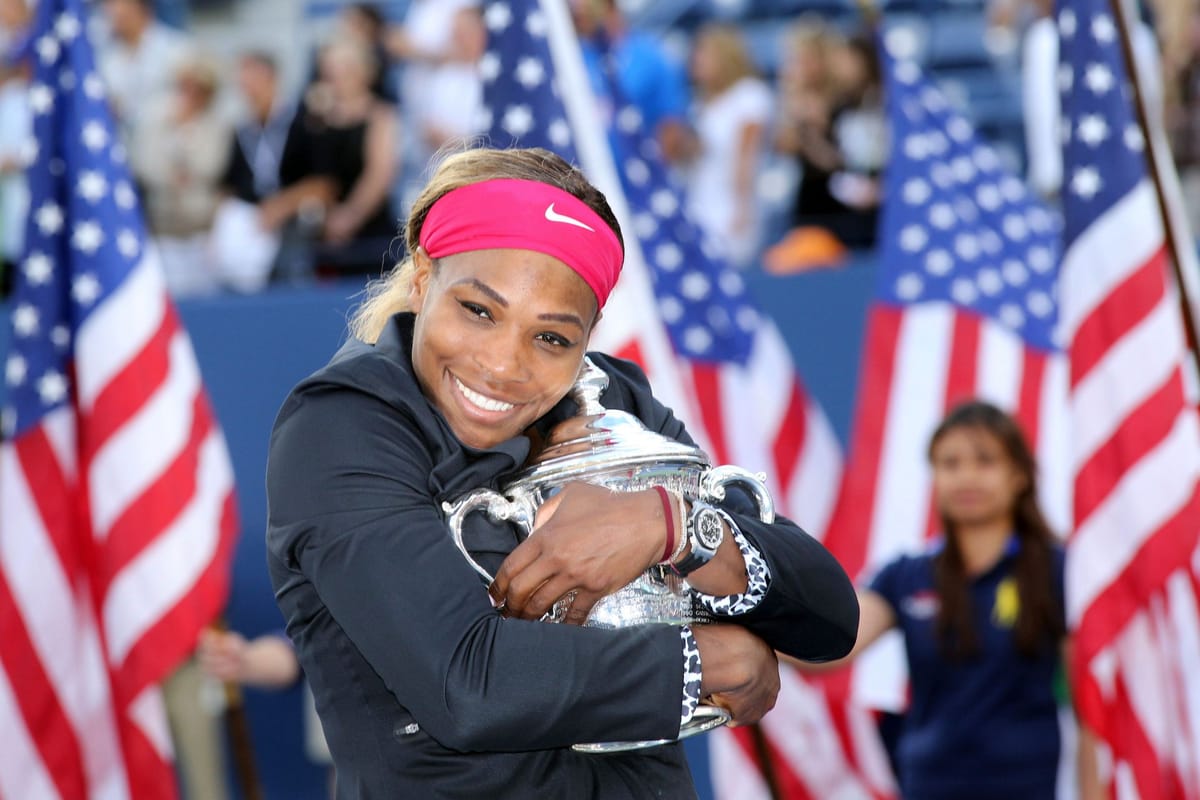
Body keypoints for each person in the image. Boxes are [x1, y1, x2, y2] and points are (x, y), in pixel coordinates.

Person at [265, 146, 858, 798]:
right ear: (423, 278)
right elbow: (468, 685)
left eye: (551, 338)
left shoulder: (615, 400)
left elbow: (829, 619)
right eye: (478, 310)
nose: (502, 364)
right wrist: (701, 661)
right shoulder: (342, 424)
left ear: (588, 335)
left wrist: (673, 525)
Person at [787, 401, 1101, 800]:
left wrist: (1094, 791)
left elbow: (1088, 699)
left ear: (1019, 475)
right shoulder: (906, 576)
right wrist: (747, 624)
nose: (966, 477)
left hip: (1026, 786)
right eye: (950, 463)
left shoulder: (1056, 571)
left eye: (985, 461)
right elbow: (832, 643)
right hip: (927, 784)